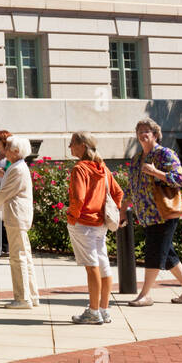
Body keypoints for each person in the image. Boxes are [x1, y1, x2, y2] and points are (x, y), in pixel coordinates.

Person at [120, 117, 182, 306]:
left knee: (153, 252)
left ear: (155, 135)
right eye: (139, 131)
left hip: (163, 213)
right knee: (167, 254)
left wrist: (156, 172)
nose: (142, 134)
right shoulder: (137, 158)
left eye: (146, 130)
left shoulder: (165, 154)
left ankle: (145, 295)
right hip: (146, 215)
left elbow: (180, 179)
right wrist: (123, 208)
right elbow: (131, 186)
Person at [67, 131, 124, 324]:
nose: (69, 147)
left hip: (83, 223)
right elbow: (118, 193)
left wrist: (72, 216)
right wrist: (106, 211)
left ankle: (93, 312)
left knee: (92, 268)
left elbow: (79, 198)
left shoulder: (80, 169)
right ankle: (103, 309)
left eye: (72, 143)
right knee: (103, 266)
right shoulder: (103, 168)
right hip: (100, 224)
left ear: (83, 146)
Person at [0, 136, 38, 308]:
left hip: (16, 217)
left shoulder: (17, 169)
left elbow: (4, 193)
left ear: (16, 151)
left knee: (18, 257)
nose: (5, 150)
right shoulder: (18, 167)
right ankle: (32, 295)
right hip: (18, 216)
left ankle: (22, 298)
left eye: (9, 147)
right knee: (24, 256)